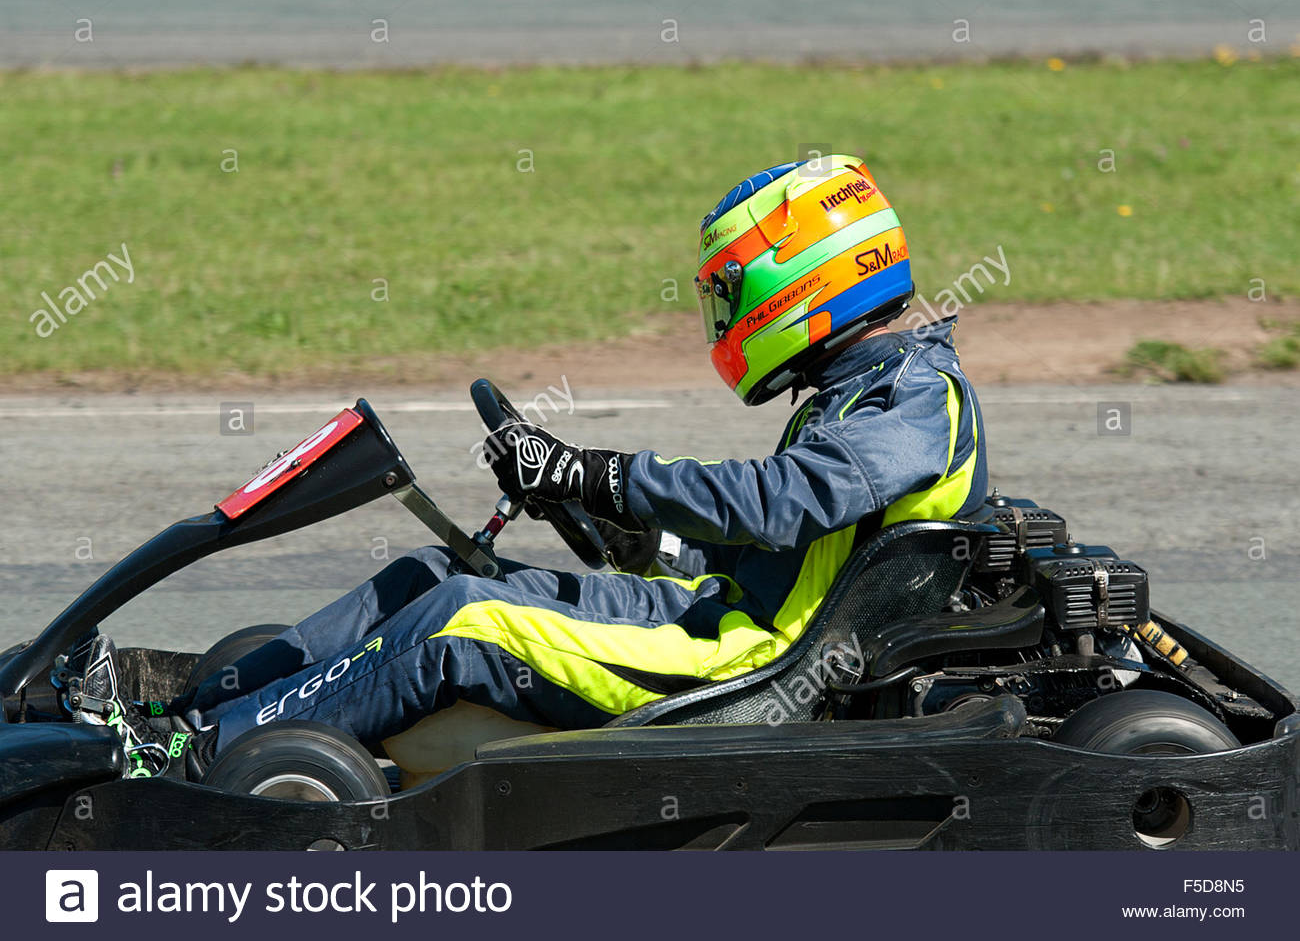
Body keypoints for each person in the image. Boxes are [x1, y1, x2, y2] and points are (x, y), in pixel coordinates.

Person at [83, 154, 989, 778]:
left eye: (733, 292)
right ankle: (180, 708)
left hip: (750, 669)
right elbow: (782, 553)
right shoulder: (864, 388)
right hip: (721, 615)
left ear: (809, 281)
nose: (722, 314)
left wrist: (594, 472)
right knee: (431, 573)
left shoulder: (917, 398)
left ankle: (189, 763)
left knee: (463, 623)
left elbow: (783, 505)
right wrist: (625, 529)